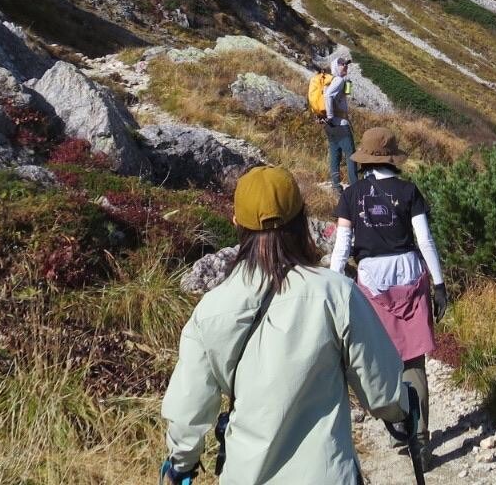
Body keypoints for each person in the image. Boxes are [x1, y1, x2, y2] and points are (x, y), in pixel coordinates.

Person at [160, 166, 413, 484]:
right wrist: (402, 410)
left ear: (237, 224)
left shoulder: (209, 311)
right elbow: (384, 393)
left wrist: (181, 464)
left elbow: (187, 413)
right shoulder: (335, 293)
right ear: (301, 219)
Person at [329, 128, 449, 457]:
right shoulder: (409, 191)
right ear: (393, 158)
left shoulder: (351, 195)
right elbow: (425, 240)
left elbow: (341, 248)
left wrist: (333, 288)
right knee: (413, 358)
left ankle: (398, 428)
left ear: (365, 159)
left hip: (372, 279)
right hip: (409, 273)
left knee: (382, 358)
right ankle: (420, 437)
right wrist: (439, 284)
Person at [323, 54, 358, 189]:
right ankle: (355, 187)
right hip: (340, 125)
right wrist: (330, 115)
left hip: (330, 126)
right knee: (351, 155)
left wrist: (329, 118)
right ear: (336, 67)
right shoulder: (338, 80)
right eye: (342, 64)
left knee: (335, 154)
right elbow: (328, 95)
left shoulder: (330, 81)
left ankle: (336, 186)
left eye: (346, 64)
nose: (345, 66)